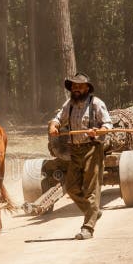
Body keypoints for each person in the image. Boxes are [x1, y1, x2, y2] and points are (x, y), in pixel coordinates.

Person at [47, 73, 113, 240]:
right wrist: (54, 126)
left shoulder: (96, 103)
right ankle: (93, 211)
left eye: (79, 86)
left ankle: (88, 228)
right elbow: (57, 119)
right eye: (74, 86)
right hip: (75, 150)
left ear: (87, 88)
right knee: (71, 187)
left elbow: (108, 124)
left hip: (92, 149)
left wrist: (98, 131)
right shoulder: (69, 104)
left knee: (91, 189)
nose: (76, 89)